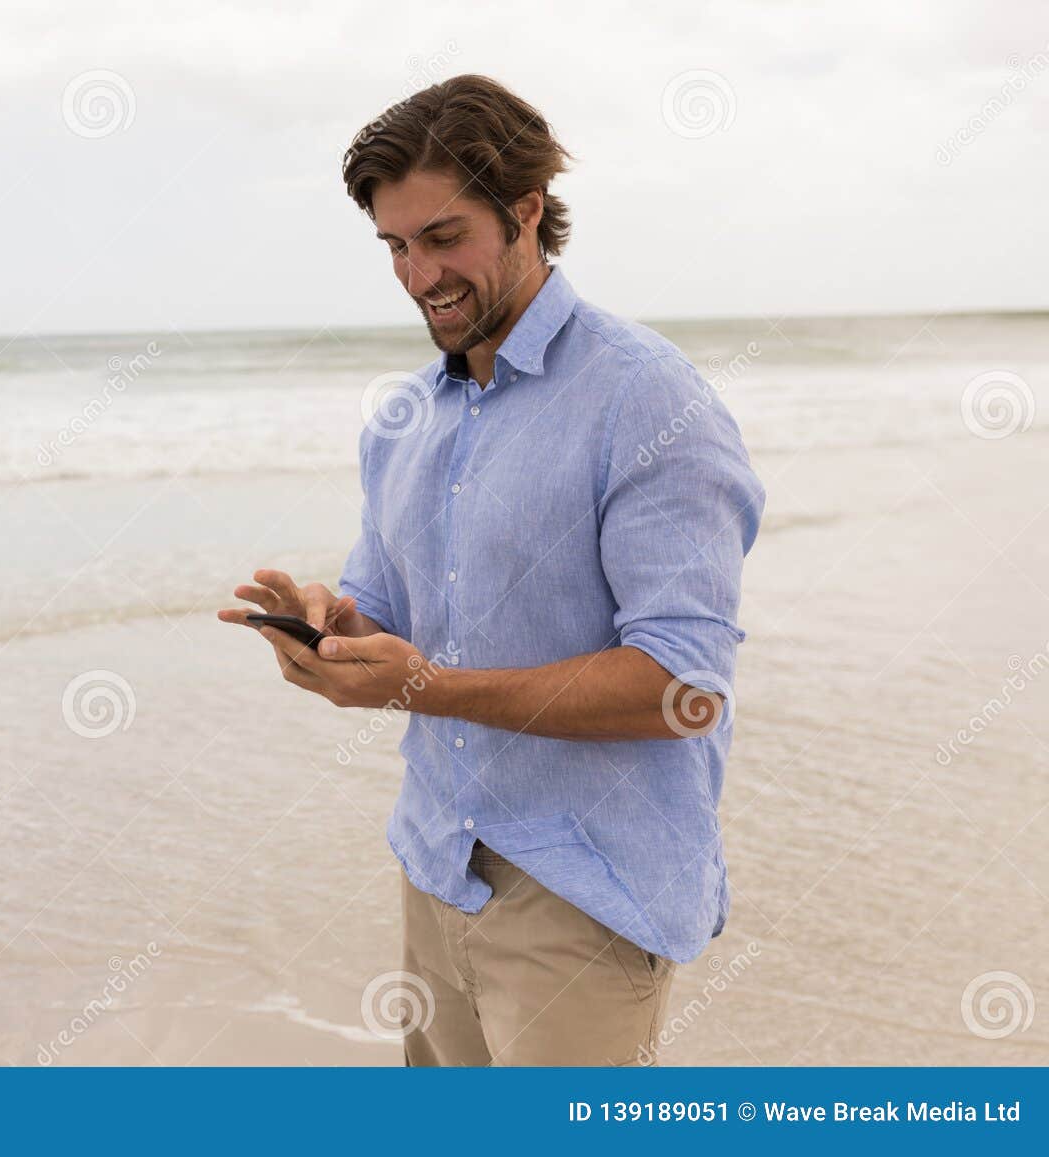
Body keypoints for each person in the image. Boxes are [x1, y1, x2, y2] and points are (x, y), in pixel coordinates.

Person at [218, 74, 765, 1065]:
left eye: (444, 236)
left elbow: (682, 688)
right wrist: (330, 626)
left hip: (584, 896)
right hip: (433, 864)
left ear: (526, 212)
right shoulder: (403, 418)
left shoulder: (647, 400)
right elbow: (389, 610)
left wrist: (424, 685)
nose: (419, 274)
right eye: (395, 246)